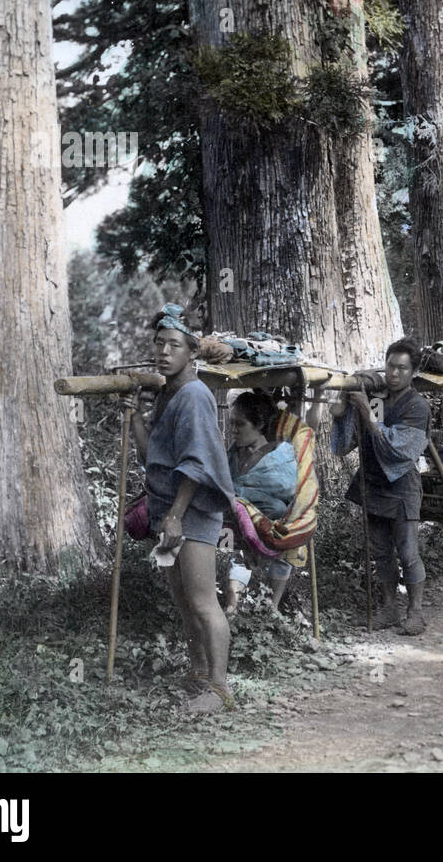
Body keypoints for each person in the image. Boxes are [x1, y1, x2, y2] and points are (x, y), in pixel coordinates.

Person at [125, 303, 235, 713]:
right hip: (168, 509)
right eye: (159, 343)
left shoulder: (193, 395)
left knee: (204, 599)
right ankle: (199, 674)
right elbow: (152, 456)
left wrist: (174, 515)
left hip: (191, 509)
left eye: (174, 345)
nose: (164, 352)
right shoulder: (169, 394)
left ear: (192, 351)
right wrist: (137, 418)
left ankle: (220, 689)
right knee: (183, 600)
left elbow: (197, 462)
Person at [331, 337, 432, 635]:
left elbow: (398, 448)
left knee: (407, 551)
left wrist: (365, 411)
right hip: (373, 482)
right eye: (390, 366)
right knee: (381, 552)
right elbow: (349, 434)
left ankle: (416, 612)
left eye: (402, 368)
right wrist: (349, 403)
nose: (394, 373)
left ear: (413, 372)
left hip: (402, 487)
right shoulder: (378, 396)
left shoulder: (417, 406)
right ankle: (389, 608)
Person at [223, 391, 297, 618]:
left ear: (260, 424)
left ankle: (271, 607)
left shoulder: (280, 455)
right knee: (233, 548)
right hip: (236, 522)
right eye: (232, 424)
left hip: (272, 522)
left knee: (284, 541)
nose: (234, 430)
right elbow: (225, 483)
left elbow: (286, 488)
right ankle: (233, 605)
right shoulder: (234, 453)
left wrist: (241, 496)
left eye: (240, 424)